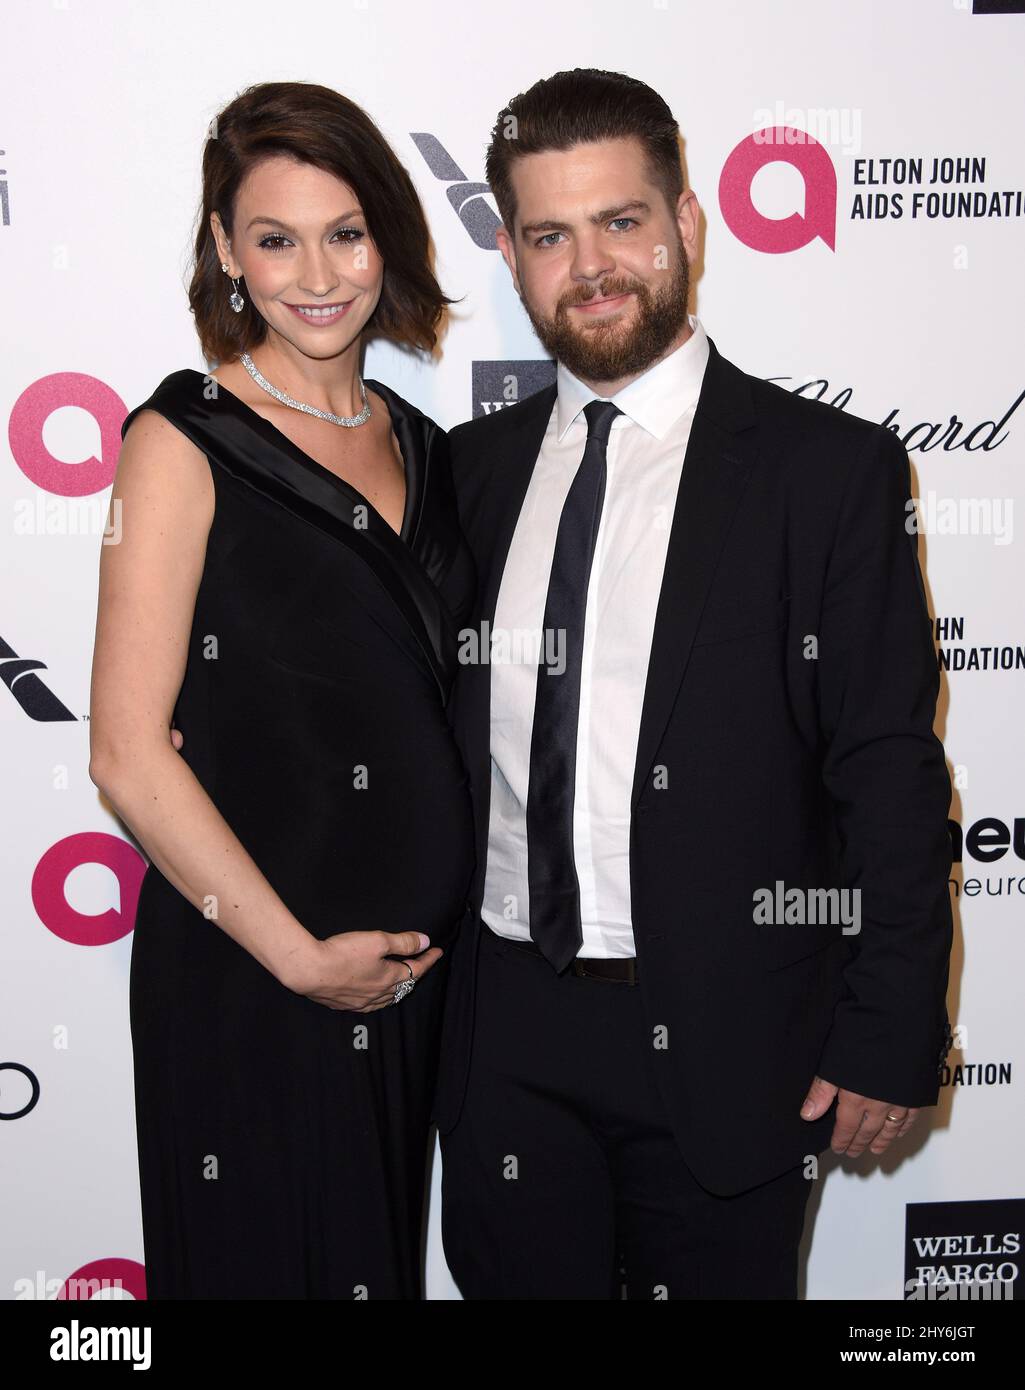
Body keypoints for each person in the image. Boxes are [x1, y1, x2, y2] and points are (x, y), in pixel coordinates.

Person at [435, 68, 954, 1300]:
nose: (591, 266)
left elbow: (884, 763)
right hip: (504, 1028)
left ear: (687, 227)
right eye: (551, 235)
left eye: (621, 221)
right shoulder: (461, 475)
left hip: (732, 1030)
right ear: (510, 255)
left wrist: (891, 1030)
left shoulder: (823, 471)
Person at [89, 81, 475, 1299]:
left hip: (413, 982)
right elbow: (125, 751)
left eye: (345, 233)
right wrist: (298, 958)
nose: (317, 273)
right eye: (274, 237)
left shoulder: (429, 447)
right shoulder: (181, 438)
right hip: (255, 971)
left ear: (387, 240)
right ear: (224, 250)